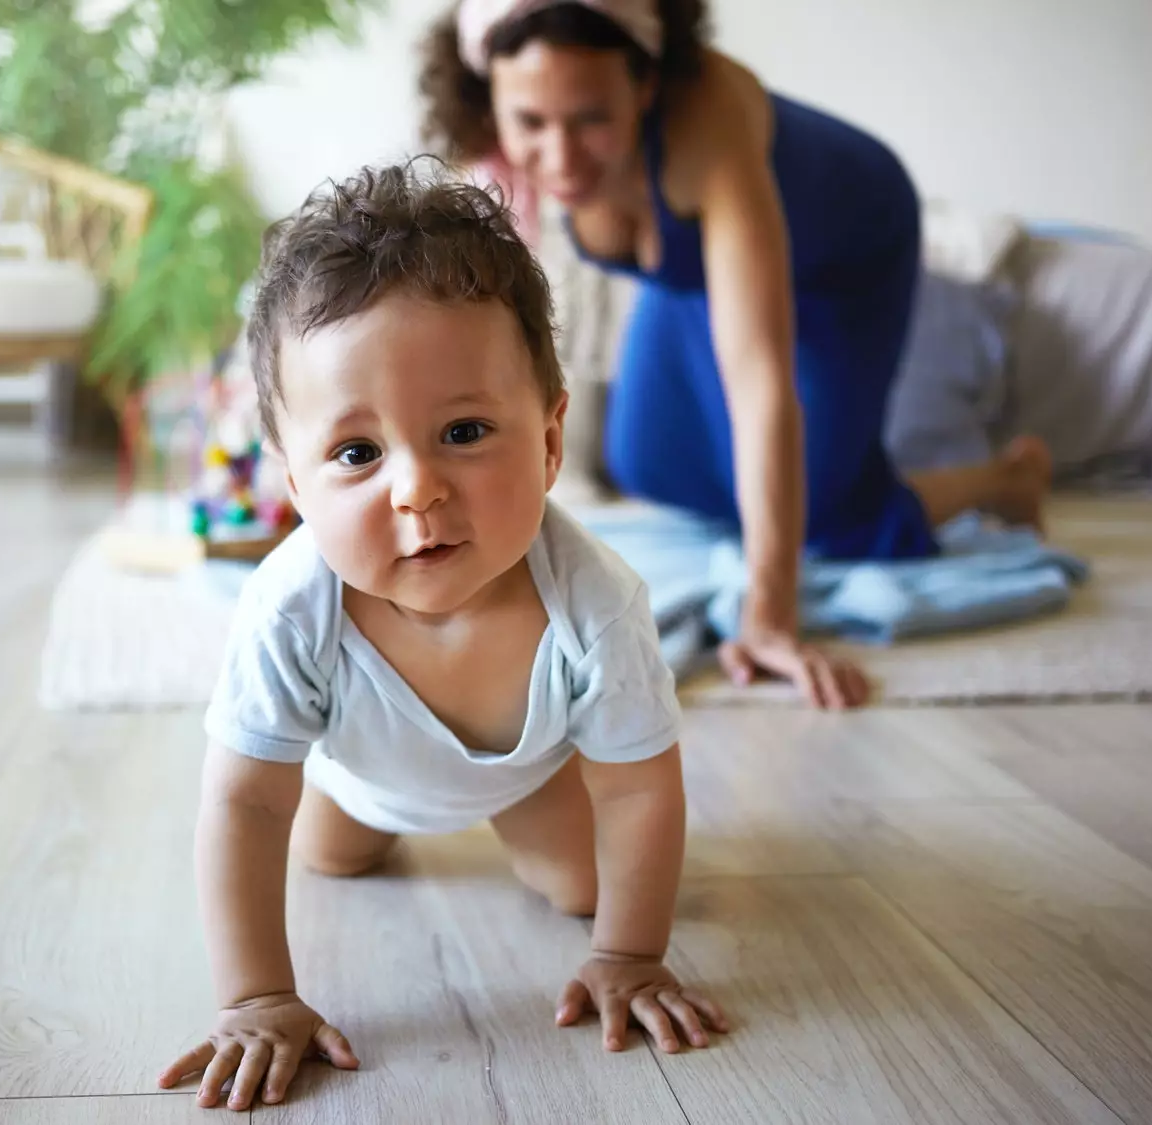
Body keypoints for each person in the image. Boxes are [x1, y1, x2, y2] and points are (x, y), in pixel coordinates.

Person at [156, 162, 730, 1111]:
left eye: (465, 431)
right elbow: (249, 804)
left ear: (549, 442)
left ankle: (543, 857)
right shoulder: (290, 607)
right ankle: (362, 834)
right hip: (353, 777)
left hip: (531, 771)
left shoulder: (598, 602)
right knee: (331, 856)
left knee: (590, 887)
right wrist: (256, 995)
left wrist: (630, 955)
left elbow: (637, 787)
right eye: (356, 453)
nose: (416, 487)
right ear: (295, 486)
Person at [420, 0, 1054, 709]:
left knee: (824, 517)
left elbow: (760, 384)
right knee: (645, 458)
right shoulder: (496, 166)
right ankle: (781, 508)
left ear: (646, 87)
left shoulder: (708, 126)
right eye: (531, 122)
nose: (561, 157)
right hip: (696, 263)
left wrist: (770, 616)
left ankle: (1008, 478)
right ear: (492, 101)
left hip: (844, 255)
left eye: (592, 118)